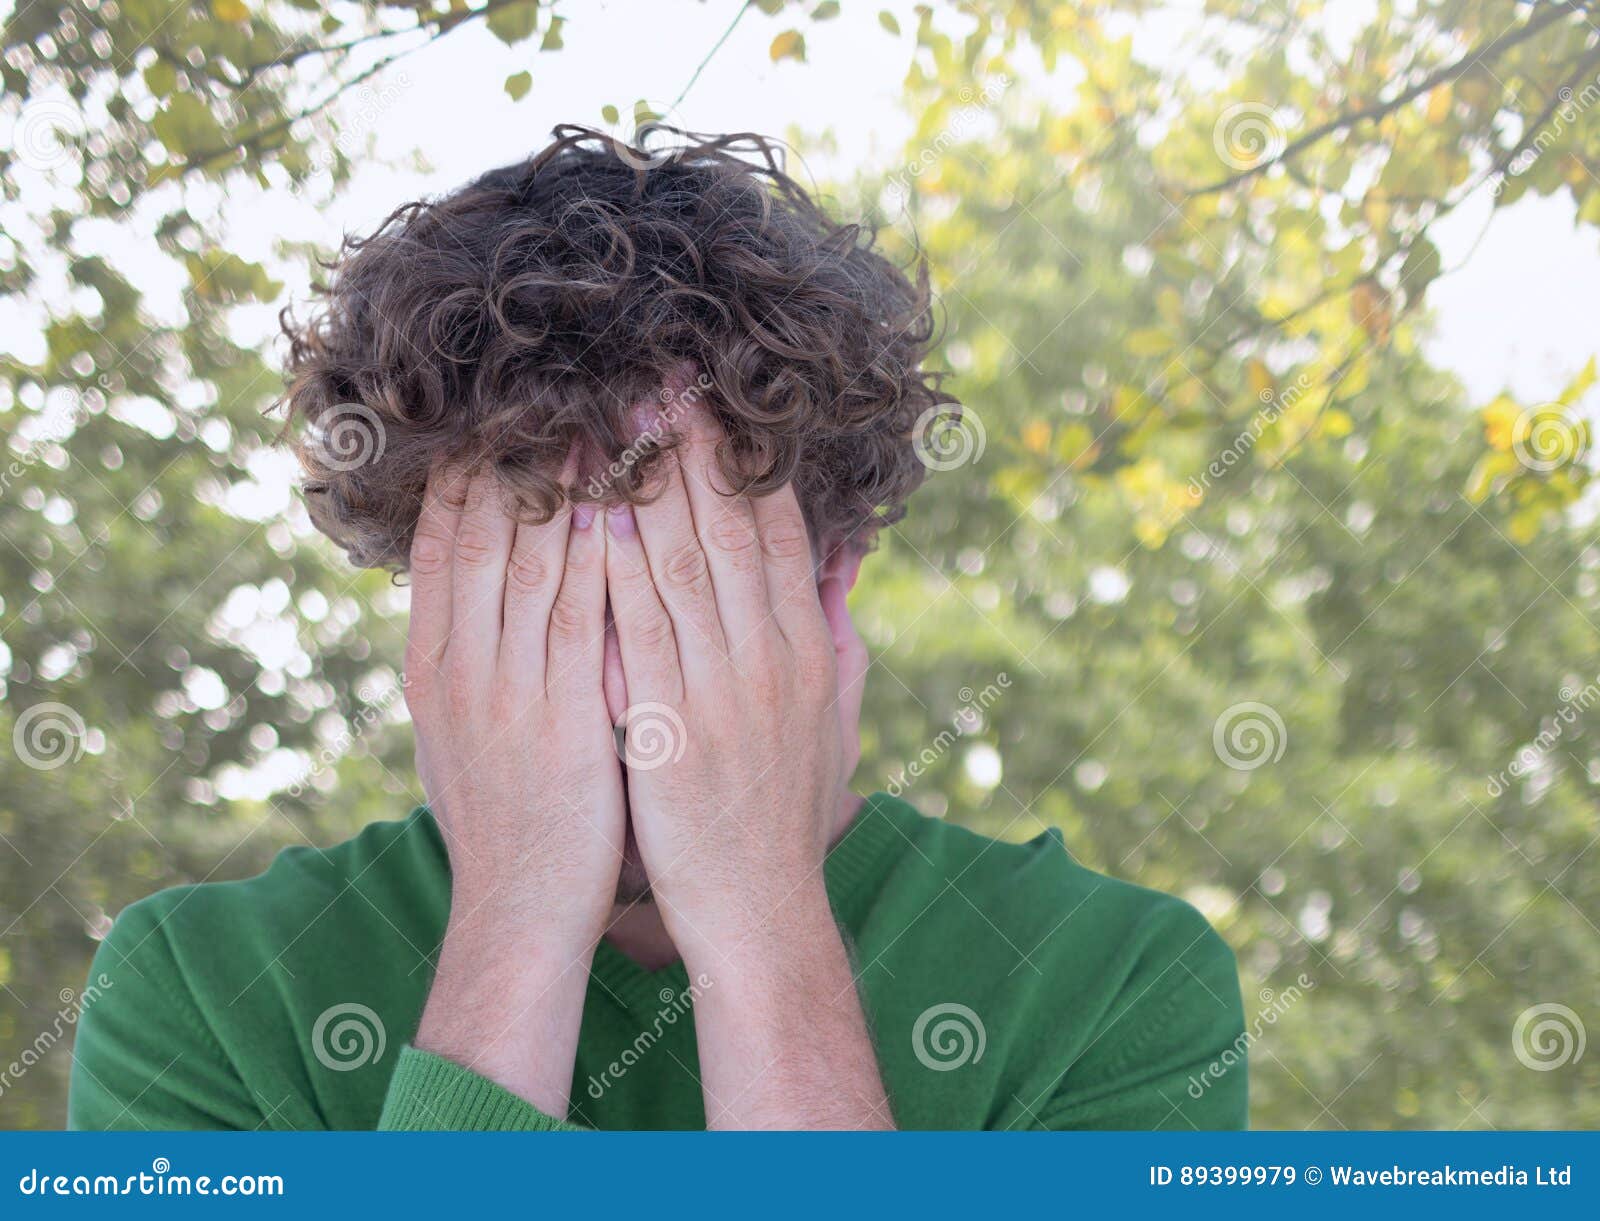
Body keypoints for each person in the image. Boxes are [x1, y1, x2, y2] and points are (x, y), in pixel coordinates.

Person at [69, 128, 1245, 1131]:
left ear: (827, 590)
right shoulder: (198, 994)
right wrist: (515, 923)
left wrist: (763, 925)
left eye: (677, 597)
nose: (623, 704)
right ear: (433, 621)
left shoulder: (1113, 986)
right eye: (537, 598)